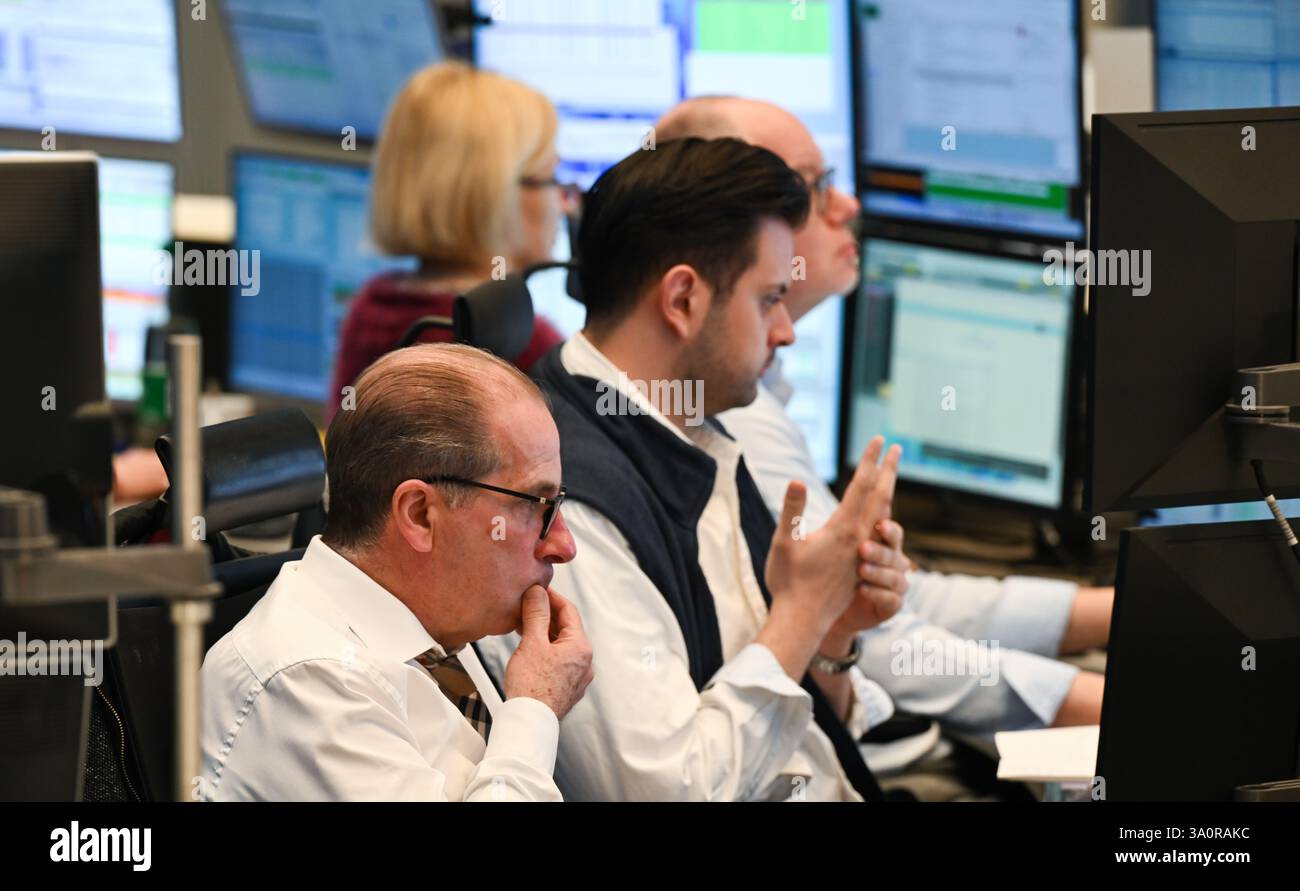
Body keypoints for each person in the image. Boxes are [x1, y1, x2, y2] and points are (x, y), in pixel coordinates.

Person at [655, 98, 1107, 767]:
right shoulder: (731, 417)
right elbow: (889, 644)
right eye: (809, 187)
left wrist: (1111, 613)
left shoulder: (751, 397)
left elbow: (882, 608)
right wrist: (1094, 701)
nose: (847, 204)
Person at [481, 137, 911, 802]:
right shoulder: (570, 503)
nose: (786, 330)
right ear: (682, 298)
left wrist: (831, 635)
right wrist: (800, 613)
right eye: (769, 299)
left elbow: (794, 735)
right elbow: (669, 790)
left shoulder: (698, 434)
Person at [202, 343, 593, 801]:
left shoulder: (433, 632)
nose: (564, 545)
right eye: (536, 507)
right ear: (421, 514)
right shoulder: (308, 680)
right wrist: (535, 708)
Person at [326, 61, 580, 424]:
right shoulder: (523, 346)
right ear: (495, 196)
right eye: (551, 177)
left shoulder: (371, 310)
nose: (565, 202)